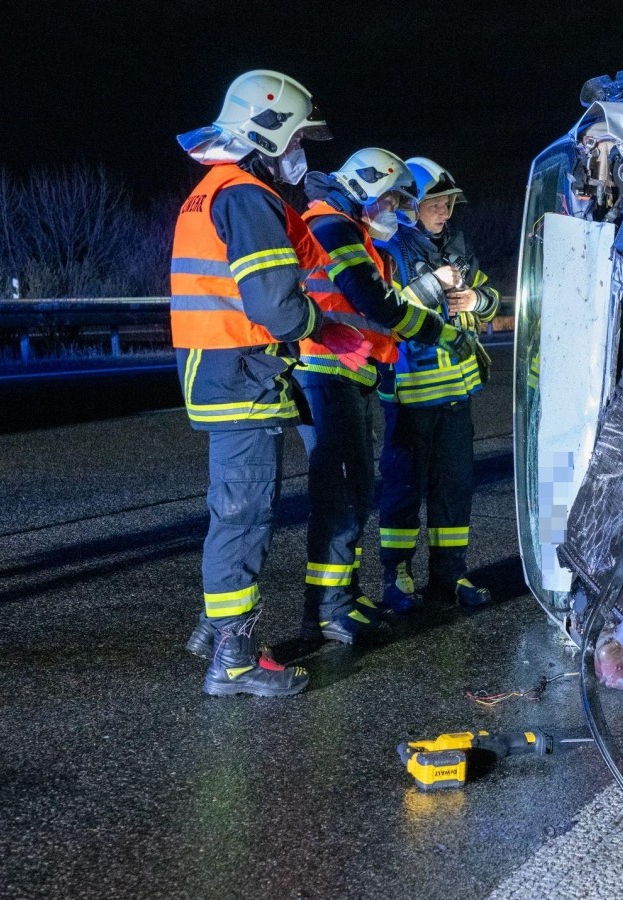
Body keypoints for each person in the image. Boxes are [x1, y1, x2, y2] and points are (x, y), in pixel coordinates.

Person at [170, 69, 349, 697]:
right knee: (243, 516)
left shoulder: (214, 189)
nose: (302, 149)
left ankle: (210, 630)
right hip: (239, 373)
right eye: (297, 135)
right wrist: (321, 322)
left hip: (221, 371)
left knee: (234, 508)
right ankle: (235, 659)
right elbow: (274, 305)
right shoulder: (245, 196)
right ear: (266, 133)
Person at [294, 148, 470, 643]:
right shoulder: (334, 228)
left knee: (348, 492)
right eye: (390, 199)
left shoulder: (343, 226)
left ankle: (339, 599)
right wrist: (441, 332)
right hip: (328, 371)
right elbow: (376, 301)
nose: (393, 209)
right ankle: (329, 609)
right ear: (367, 188)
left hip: (343, 373)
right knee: (342, 495)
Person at [376, 158, 500, 611]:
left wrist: (478, 298)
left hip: (456, 395)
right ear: (411, 206)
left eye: (448, 203)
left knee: (454, 488)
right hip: (411, 396)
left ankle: (451, 574)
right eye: (435, 203)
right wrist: (432, 283)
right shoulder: (390, 248)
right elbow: (386, 311)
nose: (444, 211)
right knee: (404, 488)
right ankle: (398, 577)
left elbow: (489, 298)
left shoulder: (457, 245)